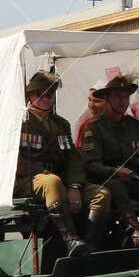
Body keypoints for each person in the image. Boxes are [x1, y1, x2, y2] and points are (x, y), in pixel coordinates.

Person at [82, 73, 139, 247]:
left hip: (133, 180)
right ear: (107, 98)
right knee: (115, 185)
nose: (123, 101)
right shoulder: (94, 127)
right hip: (105, 180)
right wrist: (114, 171)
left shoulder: (133, 125)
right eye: (118, 96)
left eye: (126, 97)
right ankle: (135, 232)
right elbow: (89, 165)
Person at [15, 71, 87, 256]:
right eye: (40, 94)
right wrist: (45, 173)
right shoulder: (19, 123)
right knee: (52, 182)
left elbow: (73, 158)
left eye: (50, 94)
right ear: (29, 96)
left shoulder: (61, 124)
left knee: (101, 194)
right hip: (26, 181)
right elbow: (16, 160)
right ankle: (70, 240)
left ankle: (93, 245)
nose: (46, 99)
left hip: (60, 180)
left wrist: (73, 185)